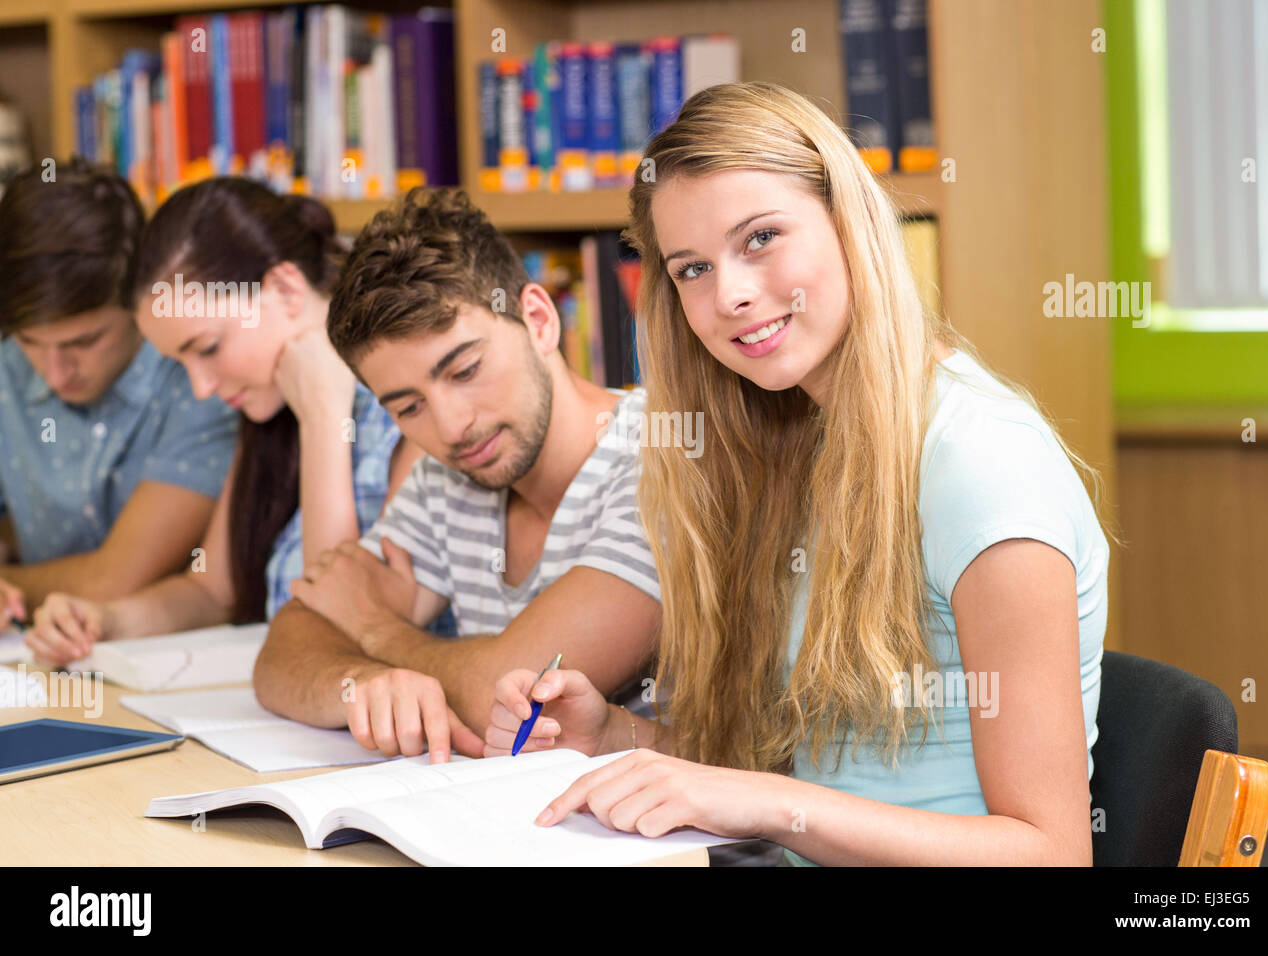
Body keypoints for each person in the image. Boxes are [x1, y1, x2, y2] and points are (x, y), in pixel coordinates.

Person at [483, 82, 1110, 866]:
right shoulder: (794, 442)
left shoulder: (981, 462)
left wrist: (773, 806)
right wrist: (614, 736)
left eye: (760, 238)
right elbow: (822, 770)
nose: (733, 295)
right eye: (691, 270)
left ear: (848, 222)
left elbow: (1049, 854)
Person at [252, 187, 662, 763]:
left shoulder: (663, 460)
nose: (451, 428)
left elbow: (515, 690)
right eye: (408, 406)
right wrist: (362, 685)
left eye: (465, 369)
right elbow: (287, 645)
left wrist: (374, 631)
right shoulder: (445, 480)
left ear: (540, 321)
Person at [24, 177, 448, 664]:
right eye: (182, 365)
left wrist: (325, 421)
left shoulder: (412, 406)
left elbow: (345, 629)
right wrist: (104, 620)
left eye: (207, 348)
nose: (202, 388)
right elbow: (211, 592)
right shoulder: (269, 407)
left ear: (286, 289)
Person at [0, 159, 236, 624]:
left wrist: (12, 584)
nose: (54, 372)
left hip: (166, 660)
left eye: (84, 342)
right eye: (30, 342)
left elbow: (115, 581)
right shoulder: (7, 362)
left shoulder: (200, 377)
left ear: (139, 302)